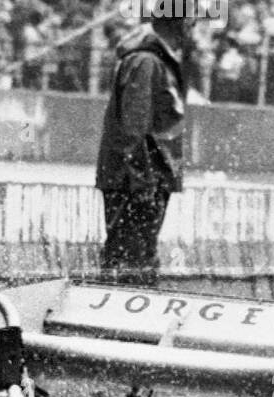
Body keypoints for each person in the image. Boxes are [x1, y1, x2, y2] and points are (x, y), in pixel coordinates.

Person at [95, 15, 189, 288]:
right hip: (138, 183)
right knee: (132, 261)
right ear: (179, 24)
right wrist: (143, 183)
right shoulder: (147, 62)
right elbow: (133, 130)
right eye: (192, 21)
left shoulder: (152, 61)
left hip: (144, 180)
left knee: (133, 258)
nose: (195, 28)